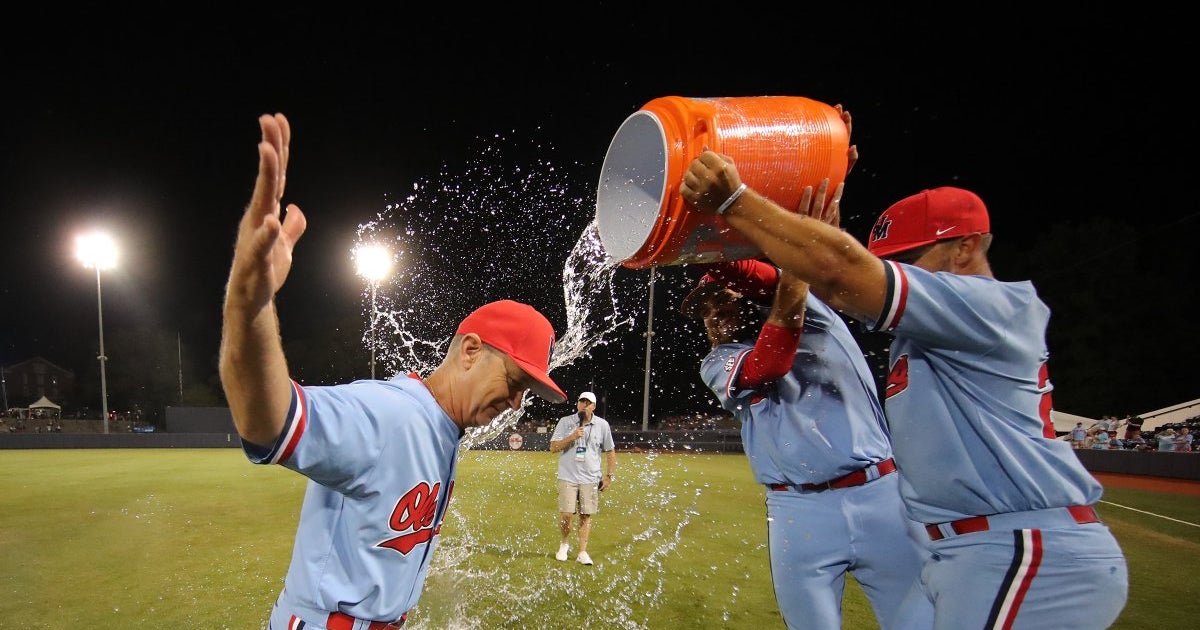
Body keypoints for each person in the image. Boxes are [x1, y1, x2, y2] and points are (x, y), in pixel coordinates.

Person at [679, 153, 1129, 627]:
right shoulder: (927, 329)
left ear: (966, 248)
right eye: (890, 264)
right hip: (962, 540)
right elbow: (814, 276)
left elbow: (830, 272)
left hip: (1016, 542)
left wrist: (737, 200)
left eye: (909, 260)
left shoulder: (990, 306)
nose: (895, 272)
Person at [219, 113, 568, 630]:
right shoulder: (390, 415)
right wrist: (249, 305)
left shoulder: (442, 426)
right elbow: (270, 422)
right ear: (469, 350)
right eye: (514, 382)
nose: (517, 403)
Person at [678, 180, 932, 629]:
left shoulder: (814, 312)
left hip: (881, 498)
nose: (712, 314)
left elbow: (768, 285)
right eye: (704, 308)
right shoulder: (717, 362)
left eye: (720, 299)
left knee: (921, 623)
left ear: (749, 299)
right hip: (797, 512)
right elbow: (769, 364)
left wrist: (748, 237)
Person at [549, 391, 616, 565]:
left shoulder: (602, 425)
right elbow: (553, 447)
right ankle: (564, 544)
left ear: (594, 406)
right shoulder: (566, 422)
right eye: (582, 402)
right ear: (577, 404)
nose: (584, 405)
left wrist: (609, 476)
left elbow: (610, 451)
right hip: (567, 476)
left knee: (585, 516)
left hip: (591, 478)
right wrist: (572, 437)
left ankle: (582, 552)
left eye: (588, 403)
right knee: (566, 515)